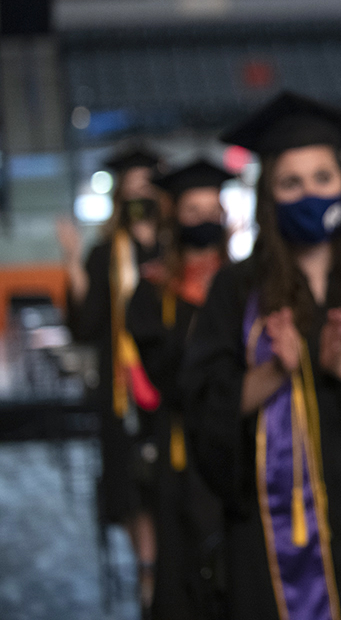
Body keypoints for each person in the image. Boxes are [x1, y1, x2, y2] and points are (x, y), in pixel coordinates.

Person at [180, 92, 341, 620]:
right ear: (269, 198)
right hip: (269, 521)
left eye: (322, 178)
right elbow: (201, 401)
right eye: (291, 183)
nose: (309, 193)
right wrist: (273, 370)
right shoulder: (235, 291)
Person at [58, 143, 166, 614]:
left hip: (167, 382)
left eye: (148, 189)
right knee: (127, 484)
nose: (140, 199)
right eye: (131, 191)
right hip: (120, 389)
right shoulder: (106, 254)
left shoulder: (173, 247)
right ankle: (148, 567)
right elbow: (85, 324)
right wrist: (72, 261)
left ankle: (168, 565)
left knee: (167, 476)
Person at [127, 160, 237, 620]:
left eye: (214, 208)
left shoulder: (245, 283)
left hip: (238, 444)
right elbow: (165, 377)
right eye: (193, 210)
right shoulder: (152, 293)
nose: (206, 219)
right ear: (174, 219)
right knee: (184, 567)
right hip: (181, 447)